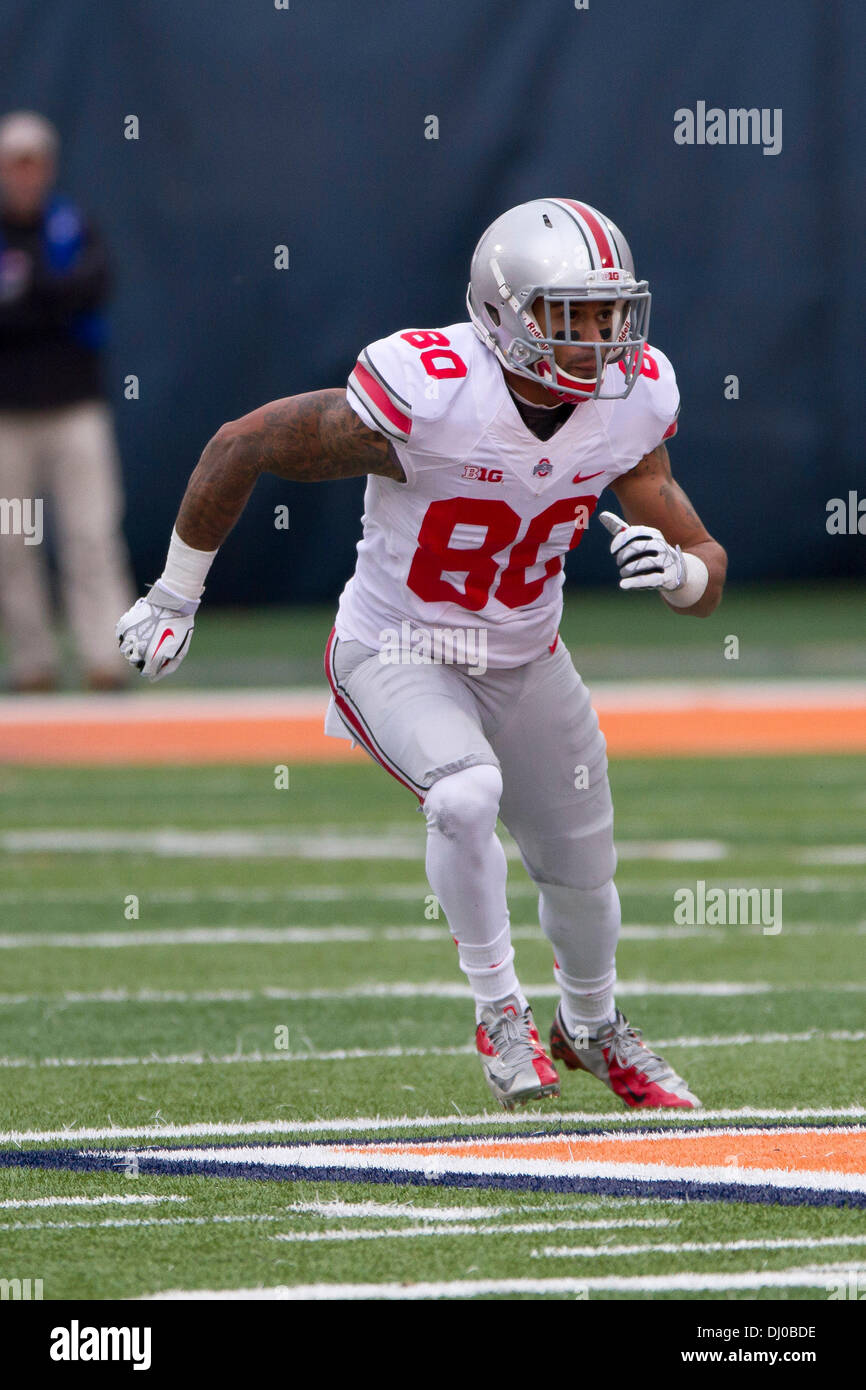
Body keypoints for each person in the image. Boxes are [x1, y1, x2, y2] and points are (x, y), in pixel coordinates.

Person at [116, 198, 727, 1110]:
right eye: (573, 317)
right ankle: (501, 1012)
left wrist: (682, 574)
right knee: (464, 795)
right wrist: (175, 592)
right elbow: (242, 443)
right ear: (506, 314)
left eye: (611, 315)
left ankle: (593, 1027)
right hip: (400, 646)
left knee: (584, 874)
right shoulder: (433, 393)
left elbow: (709, 567)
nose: (601, 341)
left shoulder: (630, 401)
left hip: (527, 653)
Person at [0, 110, 134, 692]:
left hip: (76, 412)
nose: (24, 175)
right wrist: (48, 301)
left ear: (48, 168)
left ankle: (104, 656)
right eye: (15, 164)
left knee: (91, 534)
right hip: (10, 420)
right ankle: (33, 661)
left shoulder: (74, 226)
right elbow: (56, 302)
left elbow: (92, 290)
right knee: (14, 541)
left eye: (33, 164)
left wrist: (29, 299)